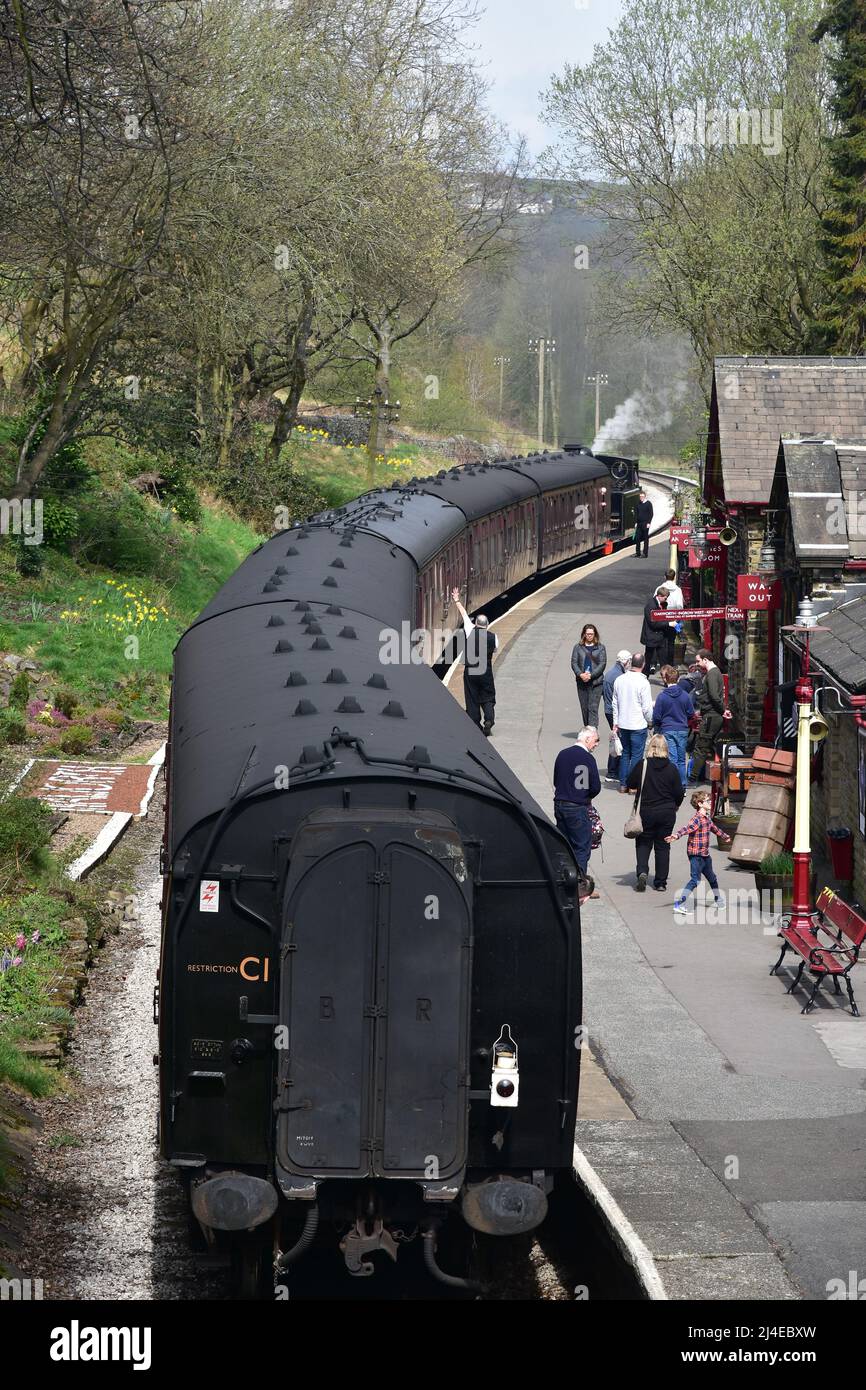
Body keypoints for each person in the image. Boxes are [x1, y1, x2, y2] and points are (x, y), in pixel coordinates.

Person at [626, 733, 685, 892]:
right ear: (665, 748)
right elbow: (679, 792)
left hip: (646, 810)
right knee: (663, 846)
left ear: (650, 747)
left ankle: (643, 871)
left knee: (643, 842)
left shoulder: (643, 764)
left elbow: (630, 782)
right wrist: (676, 805)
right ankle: (660, 882)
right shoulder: (672, 768)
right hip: (666, 811)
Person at [666, 790, 732, 914]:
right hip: (696, 855)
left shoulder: (706, 818)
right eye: (708, 801)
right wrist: (675, 836)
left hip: (705, 855)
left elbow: (714, 828)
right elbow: (687, 828)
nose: (711, 802)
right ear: (700, 804)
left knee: (712, 878)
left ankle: (718, 899)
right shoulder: (696, 819)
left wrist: (725, 836)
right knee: (695, 880)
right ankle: (679, 904)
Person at [553, 727, 601, 886]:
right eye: (595, 741)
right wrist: (586, 796)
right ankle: (579, 884)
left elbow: (556, 780)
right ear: (587, 739)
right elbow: (595, 787)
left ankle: (562, 878)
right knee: (581, 847)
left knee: (564, 844)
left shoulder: (562, 754)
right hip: (578, 807)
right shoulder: (588, 759)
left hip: (560, 804)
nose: (596, 745)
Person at [452, 587, 498, 736]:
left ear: (476, 623)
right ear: (487, 625)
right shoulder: (493, 637)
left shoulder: (470, 629)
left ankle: (475, 724)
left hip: (470, 671)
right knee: (488, 696)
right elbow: (495, 650)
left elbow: (464, 615)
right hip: (485, 671)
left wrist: (457, 599)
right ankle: (489, 719)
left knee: (472, 698)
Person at [612, 652, 653, 791]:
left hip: (623, 723)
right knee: (636, 755)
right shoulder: (643, 682)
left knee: (625, 753)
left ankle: (623, 784)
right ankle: (632, 784)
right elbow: (646, 707)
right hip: (638, 724)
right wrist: (650, 721)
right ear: (643, 664)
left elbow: (615, 703)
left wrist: (615, 722)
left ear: (631, 663)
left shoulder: (620, 679)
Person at [689, 648, 731, 784]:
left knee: (701, 747)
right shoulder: (714, 673)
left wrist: (722, 710)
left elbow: (713, 695)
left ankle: (693, 778)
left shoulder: (712, 674)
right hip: (712, 714)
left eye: (698, 661)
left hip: (711, 716)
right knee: (710, 746)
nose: (697, 664)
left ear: (705, 660)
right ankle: (716, 775)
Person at [652, 664, 695, 788]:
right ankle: (682, 784)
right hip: (682, 729)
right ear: (678, 679)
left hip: (668, 729)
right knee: (682, 759)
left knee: (672, 758)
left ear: (666, 678)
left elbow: (657, 716)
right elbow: (691, 713)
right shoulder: (685, 695)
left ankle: (673, 784)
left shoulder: (662, 696)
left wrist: (657, 725)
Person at [570, 623, 607, 728]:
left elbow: (602, 664)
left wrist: (591, 675)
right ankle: (587, 728)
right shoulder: (577, 647)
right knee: (585, 708)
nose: (590, 636)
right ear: (584, 634)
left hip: (596, 683)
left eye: (591, 634)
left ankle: (593, 730)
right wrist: (580, 674)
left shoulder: (600, 648)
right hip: (582, 682)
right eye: (588, 634)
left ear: (595, 635)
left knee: (593, 707)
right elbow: (574, 663)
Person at [602, 649, 632, 779]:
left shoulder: (611, 673)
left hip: (609, 709)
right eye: (629, 661)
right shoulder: (618, 676)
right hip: (614, 712)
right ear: (625, 662)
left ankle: (614, 770)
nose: (630, 664)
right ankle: (613, 771)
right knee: (619, 741)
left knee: (617, 740)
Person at [640, 587, 669, 675]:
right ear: (659, 596)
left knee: (663, 660)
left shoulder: (663, 604)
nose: (666, 599)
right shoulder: (650, 606)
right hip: (651, 637)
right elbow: (653, 623)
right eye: (665, 598)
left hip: (660, 637)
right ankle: (645, 676)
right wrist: (668, 624)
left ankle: (667, 680)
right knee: (648, 659)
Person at [660, 568, 684, 665]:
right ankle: (670, 663)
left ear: (665, 577)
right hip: (673, 619)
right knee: (671, 642)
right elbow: (680, 606)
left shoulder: (660, 588)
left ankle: (662, 662)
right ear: (674, 578)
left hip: (662, 618)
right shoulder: (678, 590)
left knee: (663, 641)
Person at [634, 490, 654, 558]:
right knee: (637, 538)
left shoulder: (648, 504)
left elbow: (651, 514)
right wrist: (636, 522)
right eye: (640, 496)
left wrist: (649, 522)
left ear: (645, 496)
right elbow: (636, 513)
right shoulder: (638, 503)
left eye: (642, 496)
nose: (641, 498)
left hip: (645, 523)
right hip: (639, 523)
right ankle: (638, 552)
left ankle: (645, 553)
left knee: (645, 538)